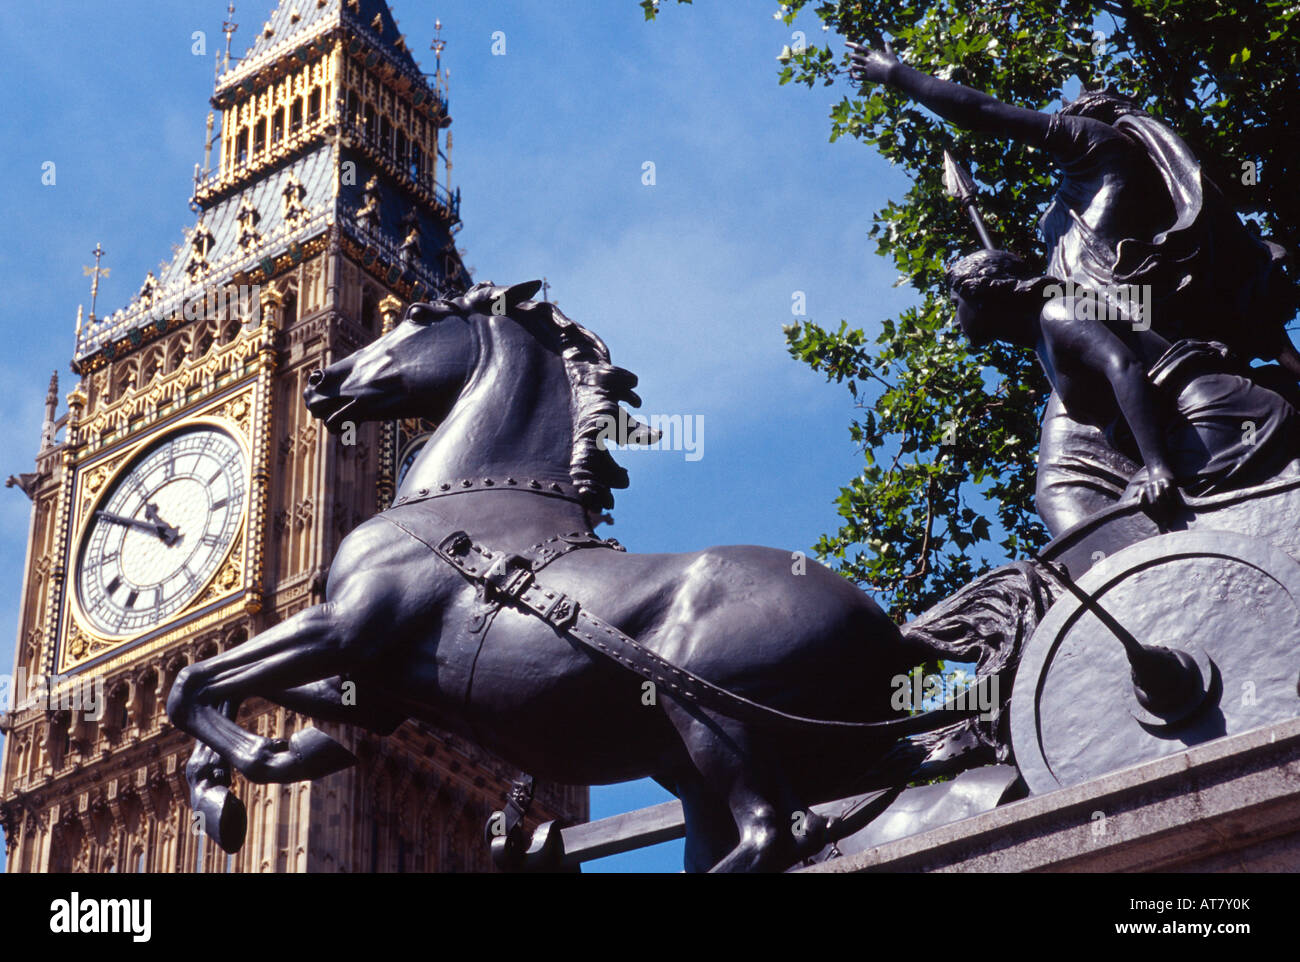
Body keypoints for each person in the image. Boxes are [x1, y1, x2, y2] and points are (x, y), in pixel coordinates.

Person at [848, 41, 1300, 531]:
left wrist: (897, 74)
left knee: (1080, 493)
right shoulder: (1068, 208)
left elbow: (984, 111)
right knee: (1059, 496)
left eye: (1068, 115)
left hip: (1127, 339)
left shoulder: (1101, 147)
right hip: (1081, 345)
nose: (1058, 121)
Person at [945, 249, 1299, 515]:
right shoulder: (1040, 340)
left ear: (980, 297)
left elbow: (1124, 367)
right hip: (1184, 435)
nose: (953, 321)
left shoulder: (1057, 312)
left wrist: (1158, 467)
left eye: (955, 303)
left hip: (1212, 420)